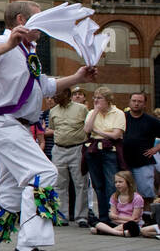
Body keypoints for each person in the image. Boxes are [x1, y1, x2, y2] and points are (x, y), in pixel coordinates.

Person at [0, 0, 96, 251]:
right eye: (41, 18)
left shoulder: (29, 50)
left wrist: (77, 77)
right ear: (23, 20)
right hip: (2, 123)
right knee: (44, 173)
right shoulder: (3, 42)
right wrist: (8, 44)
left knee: (10, 197)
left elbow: (44, 86)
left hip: (18, 127)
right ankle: (28, 246)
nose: (45, 25)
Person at [83, 87, 126, 224]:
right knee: (98, 186)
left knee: (110, 185)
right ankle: (103, 218)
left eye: (99, 98)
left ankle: (113, 216)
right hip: (94, 151)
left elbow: (116, 135)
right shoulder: (91, 112)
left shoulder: (117, 113)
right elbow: (87, 130)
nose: (96, 100)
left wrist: (98, 131)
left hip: (110, 151)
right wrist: (96, 111)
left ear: (108, 100)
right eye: (94, 97)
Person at [48, 86, 90, 225]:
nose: (54, 96)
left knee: (81, 184)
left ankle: (81, 217)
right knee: (59, 184)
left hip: (77, 149)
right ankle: (61, 215)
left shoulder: (81, 109)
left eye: (57, 93)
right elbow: (53, 128)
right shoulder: (53, 111)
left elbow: (88, 128)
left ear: (66, 93)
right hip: (59, 150)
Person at [121, 92, 160, 203]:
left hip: (143, 160)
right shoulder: (122, 117)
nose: (136, 104)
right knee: (124, 191)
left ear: (144, 104)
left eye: (140, 101)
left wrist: (156, 149)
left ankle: (147, 215)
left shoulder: (152, 121)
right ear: (129, 102)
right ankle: (128, 214)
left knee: (146, 191)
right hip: (123, 160)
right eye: (134, 101)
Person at [92, 171, 148, 237]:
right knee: (95, 223)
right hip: (117, 224)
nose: (117, 184)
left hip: (131, 225)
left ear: (128, 182)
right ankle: (118, 233)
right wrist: (117, 218)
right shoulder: (114, 196)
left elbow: (134, 219)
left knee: (131, 225)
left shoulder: (137, 198)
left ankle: (106, 231)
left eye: (120, 182)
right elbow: (112, 216)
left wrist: (118, 217)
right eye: (116, 182)